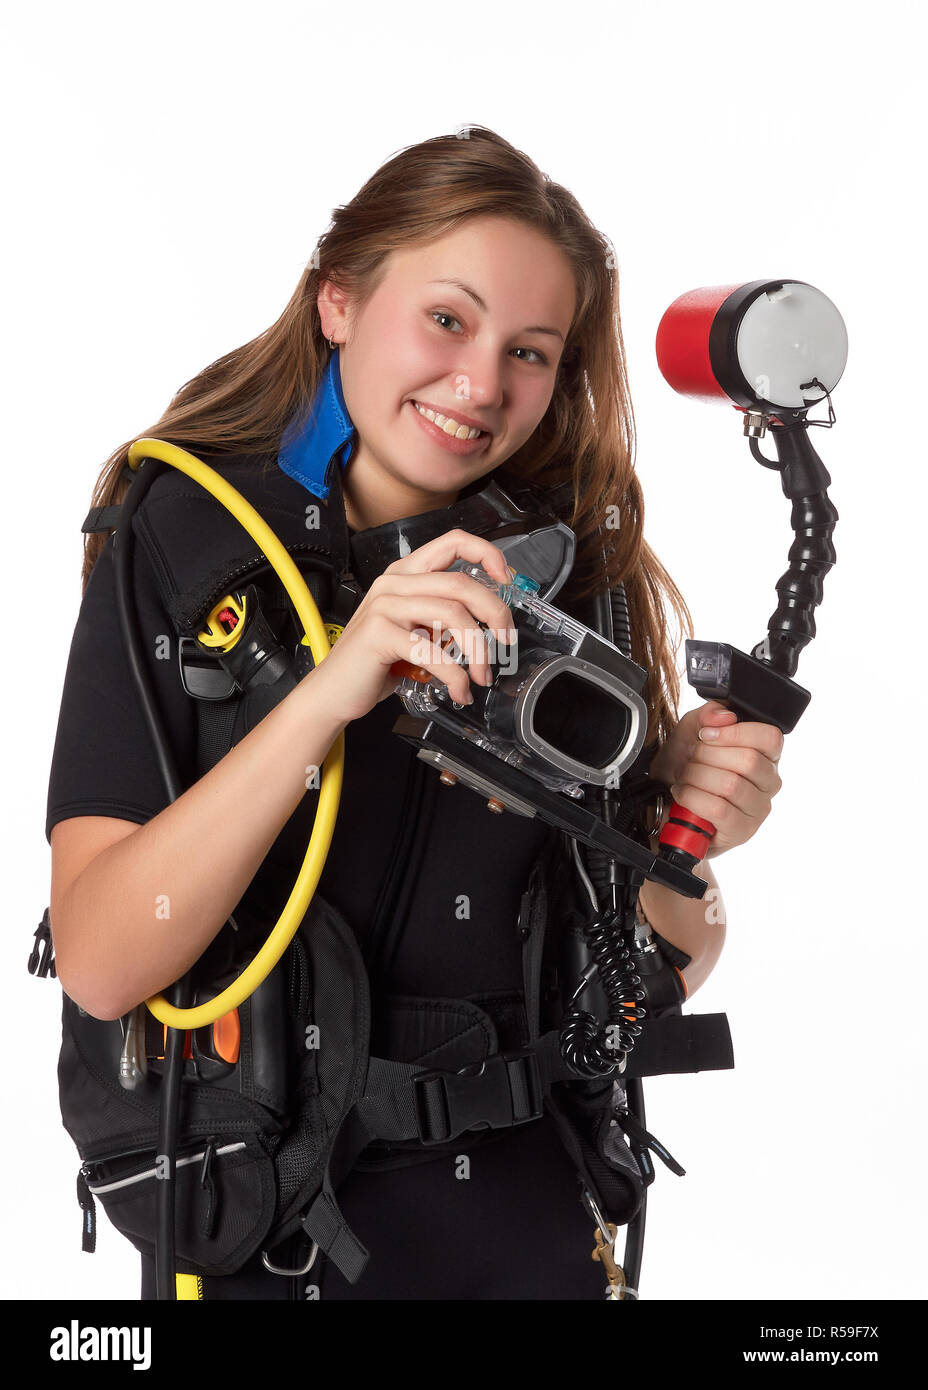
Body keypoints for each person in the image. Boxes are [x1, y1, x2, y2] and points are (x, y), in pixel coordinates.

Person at [45, 126, 784, 1300]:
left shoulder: (566, 574)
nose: (484, 383)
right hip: (279, 1240)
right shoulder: (182, 543)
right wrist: (331, 693)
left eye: (531, 351)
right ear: (338, 300)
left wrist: (695, 839)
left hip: (535, 1227)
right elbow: (96, 960)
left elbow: (650, 972)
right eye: (448, 318)